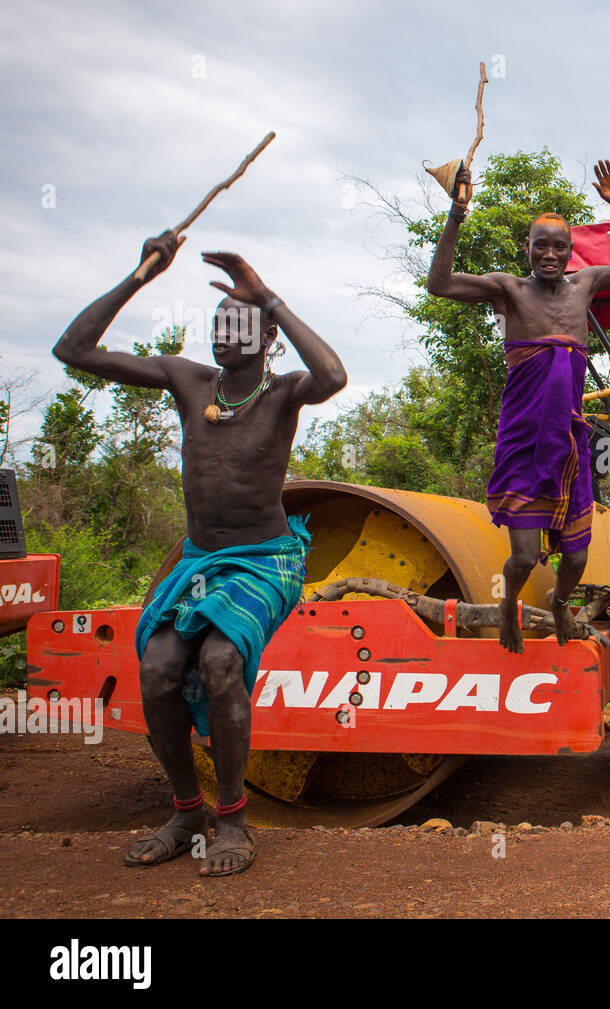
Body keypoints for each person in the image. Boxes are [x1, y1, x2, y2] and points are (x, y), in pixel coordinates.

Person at [53, 234, 347, 876]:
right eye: (220, 320)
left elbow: (334, 376)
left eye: (243, 324)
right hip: (198, 559)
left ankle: (234, 819)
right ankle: (187, 812)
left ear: (268, 338)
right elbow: (72, 350)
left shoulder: (284, 392)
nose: (225, 333)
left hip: (267, 558)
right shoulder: (188, 380)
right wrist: (141, 273)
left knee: (219, 662)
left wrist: (267, 295)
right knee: (157, 668)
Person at [427, 160, 610, 652]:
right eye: (541, 245)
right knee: (520, 556)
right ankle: (508, 608)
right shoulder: (509, 289)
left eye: (560, 245)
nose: (551, 254)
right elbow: (440, 283)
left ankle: (560, 602)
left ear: (571, 250)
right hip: (522, 437)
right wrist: (457, 211)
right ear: (528, 249)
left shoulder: (587, 284)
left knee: (576, 560)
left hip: (567, 440)